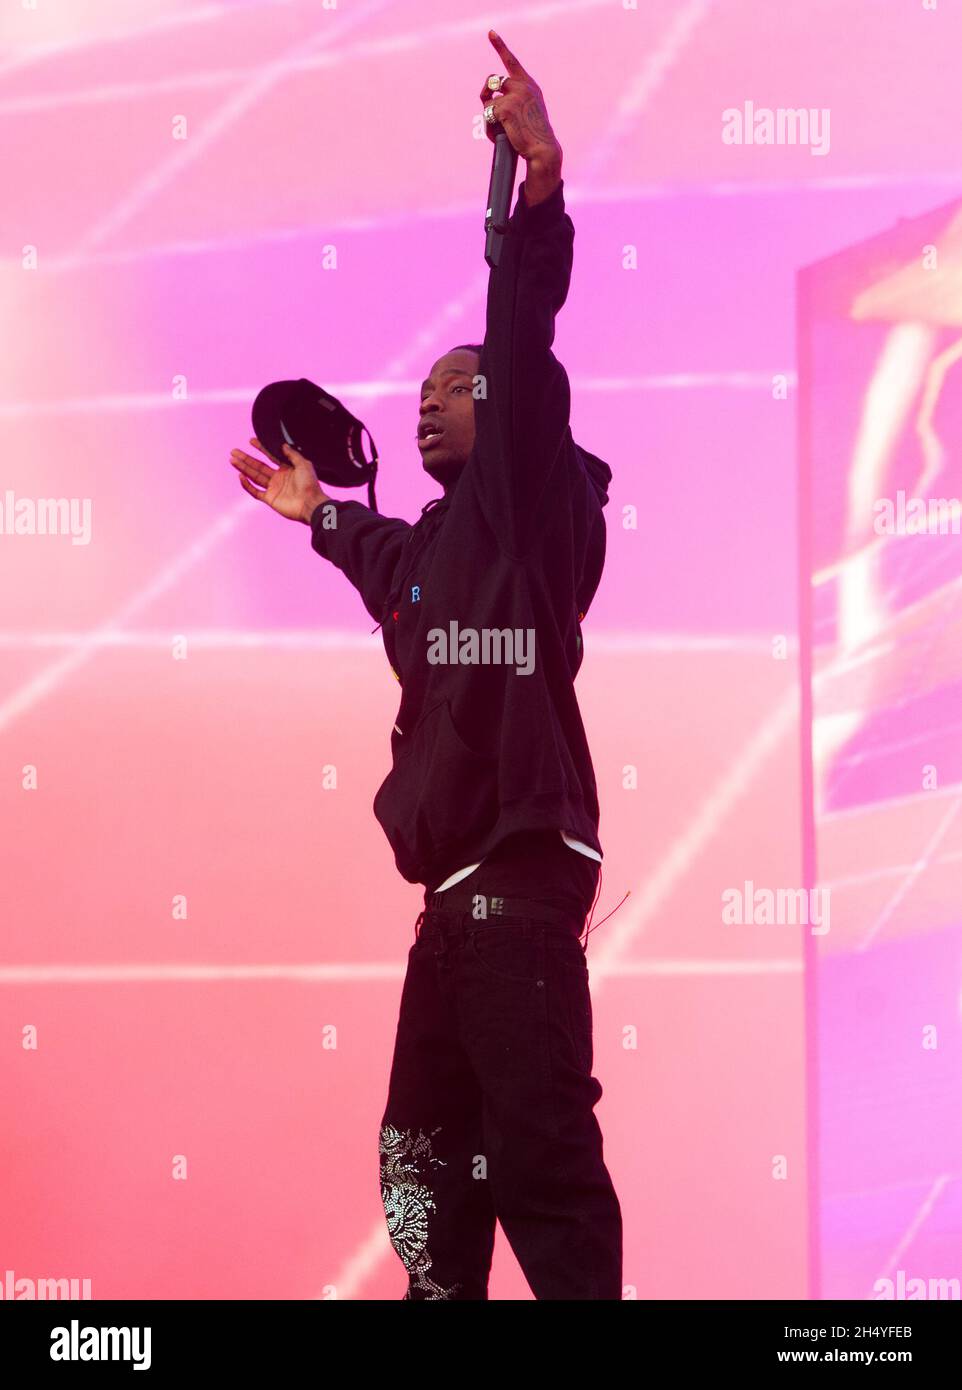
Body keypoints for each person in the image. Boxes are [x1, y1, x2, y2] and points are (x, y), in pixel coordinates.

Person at [229, 30, 622, 1300]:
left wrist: (531, 187)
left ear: (505, 411)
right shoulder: (433, 563)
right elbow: (380, 563)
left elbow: (520, 325)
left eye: (458, 386)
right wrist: (315, 510)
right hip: (451, 906)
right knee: (419, 1166)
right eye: (423, 390)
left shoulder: (523, 510)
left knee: (541, 1167)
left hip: (517, 873)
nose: (427, 399)